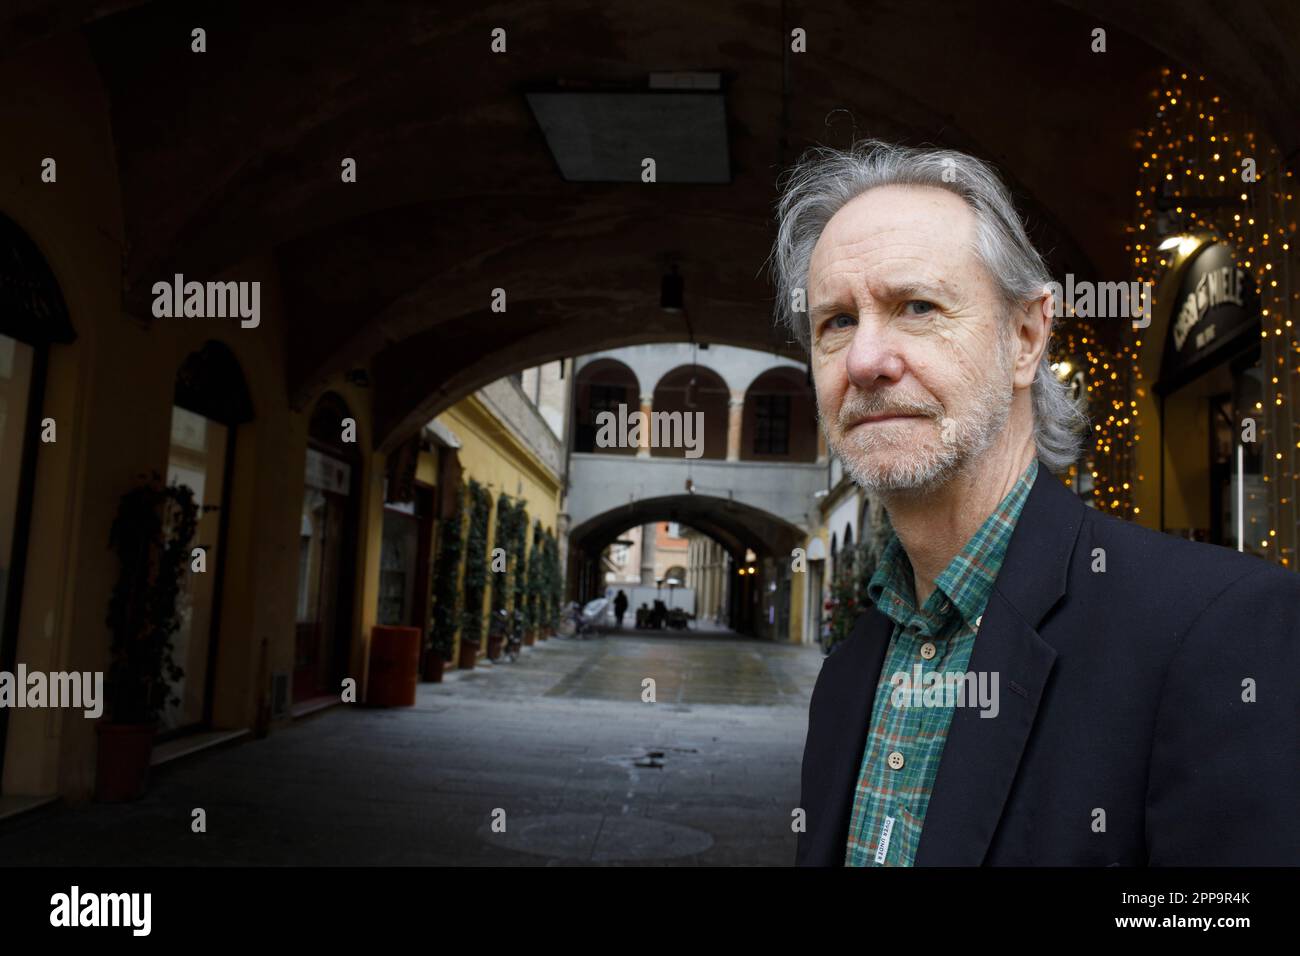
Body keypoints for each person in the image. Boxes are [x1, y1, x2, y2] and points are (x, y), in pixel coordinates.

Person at [771, 139, 1300, 866]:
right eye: (835, 322)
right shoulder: (850, 673)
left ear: (1025, 337)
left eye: (916, 306)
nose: (866, 360)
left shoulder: (1216, 632)